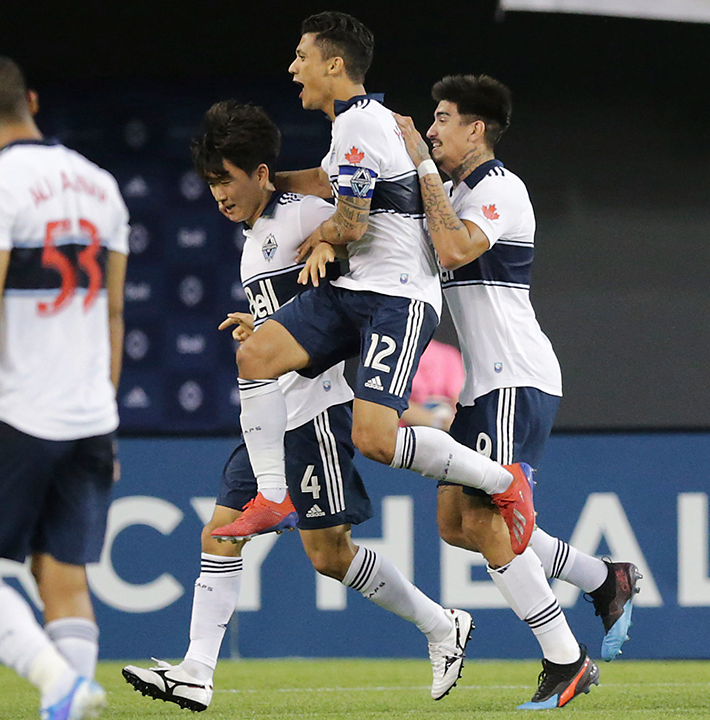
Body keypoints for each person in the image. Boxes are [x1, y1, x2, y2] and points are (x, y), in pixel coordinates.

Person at [121, 101, 472, 712]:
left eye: (225, 181)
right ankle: (197, 671)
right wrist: (256, 320)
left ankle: (442, 625)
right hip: (271, 409)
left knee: (329, 554)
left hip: (318, 410)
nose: (218, 197)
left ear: (260, 173)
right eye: (210, 185)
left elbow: (364, 249)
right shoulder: (256, 236)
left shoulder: (308, 209)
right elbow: (299, 308)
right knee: (223, 533)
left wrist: (334, 239)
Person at [212, 11, 536, 562]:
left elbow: (353, 222)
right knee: (257, 355)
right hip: (357, 288)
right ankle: (272, 495)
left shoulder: (361, 125)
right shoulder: (355, 126)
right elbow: (323, 181)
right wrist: (259, 180)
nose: (293, 69)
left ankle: (502, 482)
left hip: (397, 295)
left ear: (334, 64)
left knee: (376, 439)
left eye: (302, 56)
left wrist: (319, 235)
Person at [393, 74, 642, 709]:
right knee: (456, 523)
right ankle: (600, 577)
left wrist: (421, 167)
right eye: (431, 118)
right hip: (484, 384)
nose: (432, 128)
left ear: (476, 129)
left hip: (514, 375)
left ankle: (565, 659)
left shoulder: (502, 189)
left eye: (443, 118)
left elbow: (451, 250)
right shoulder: (450, 190)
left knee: (490, 516)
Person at [0, 55, 128, 720]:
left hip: (14, 409)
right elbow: (115, 312)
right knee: (63, 578)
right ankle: (72, 701)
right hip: (90, 413)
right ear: (32, 101)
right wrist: (106, 411)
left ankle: (58, 685)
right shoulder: (102, 186)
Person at [401, 338, 463, 431]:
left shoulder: (448, 354)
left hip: (445, 430)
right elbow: (393, 403)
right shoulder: (395, 354)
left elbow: (459, 400)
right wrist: (436, 422)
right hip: (403, 433)